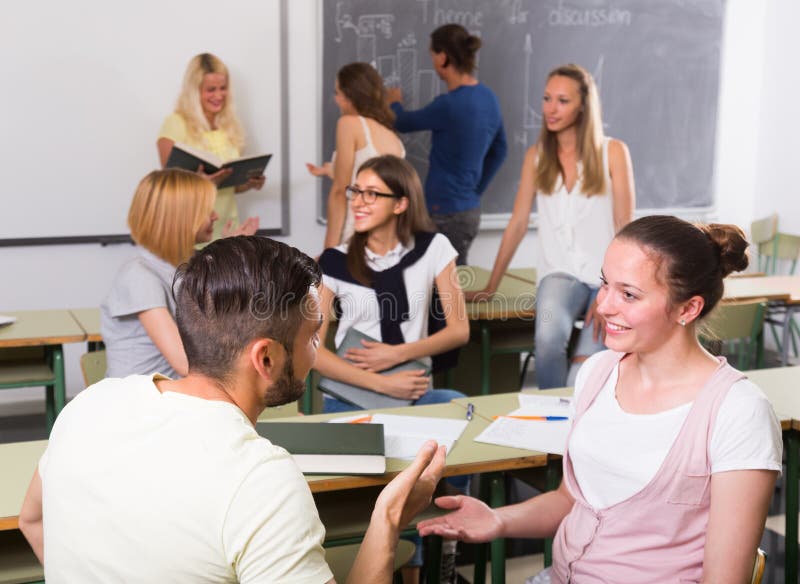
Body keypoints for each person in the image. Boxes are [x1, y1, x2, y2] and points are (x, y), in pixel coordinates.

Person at [19, 234, 447, 583]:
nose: (317, 351)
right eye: (313, 337)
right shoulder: (261, 479)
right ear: (266, 358)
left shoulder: (90, 403)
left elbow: (32, 521)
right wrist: (388, 519)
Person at [418, 215, 782, 583]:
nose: (603, 305)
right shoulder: (598, 372)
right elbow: (570, 501)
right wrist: (498, 519)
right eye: (605, 283)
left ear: (687, 309)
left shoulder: (738, 411)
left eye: (629, 294)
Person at [467, 63, 635, 388]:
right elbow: (517, 223)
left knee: (579, 379)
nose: (550, 109)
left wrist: (613, 291)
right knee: (547, 340)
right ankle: (548, 412)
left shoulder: (613, 152)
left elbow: (625, 229)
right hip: (560, 273)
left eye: (563, 101)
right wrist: (491, 286)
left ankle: (573, 410)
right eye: (547, 99)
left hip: (608, 277)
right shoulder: (536, 156)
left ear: (583, 106)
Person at [315, 155, 469, 413]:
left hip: (413, 391)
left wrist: (397, 354)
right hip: (350, 397)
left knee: (461, 407)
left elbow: (459, 331)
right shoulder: (334, 261)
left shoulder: (434, 248)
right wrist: (383, 385)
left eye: (371, 194)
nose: (358, 202)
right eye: (356, 191)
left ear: (400, 204)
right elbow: (311, 350)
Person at [387, 24, 507, 265]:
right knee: (453, 277)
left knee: (440, 282)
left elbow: (402, 122)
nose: (433, 63)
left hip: (444, 212)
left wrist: (394, 102)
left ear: (443, 58)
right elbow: (500, 150)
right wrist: (474, 191)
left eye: (432, 56)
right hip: (469, 211)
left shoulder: (449, 105)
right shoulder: (488, 98)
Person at [100, 168, 225, 379]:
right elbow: (186, 364)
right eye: (206, 210)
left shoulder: (191, 263)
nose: (215, 216)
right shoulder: (140, 276)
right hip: (144, 398)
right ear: (181, 218)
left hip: (178, 392)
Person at [157, 53, 262, 239]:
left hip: (227, 227)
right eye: (211, 90)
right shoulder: (176, 123)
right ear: (194, 91)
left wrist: (247, 184)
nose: (218, 95)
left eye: (223, 88)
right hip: (191, 229)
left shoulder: (229, 125)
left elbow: (227, 187)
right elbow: (169, 185)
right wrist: (202, 184)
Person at [307, 62, 406, 249]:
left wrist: (329, 250)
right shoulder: (393, 138)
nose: (336, 99)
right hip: (387, 237)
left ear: (350, 96)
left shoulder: (349, 124)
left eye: (337, 92)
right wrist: (330, 170)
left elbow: (340, 191)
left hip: (356, 230)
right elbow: (370, 178)